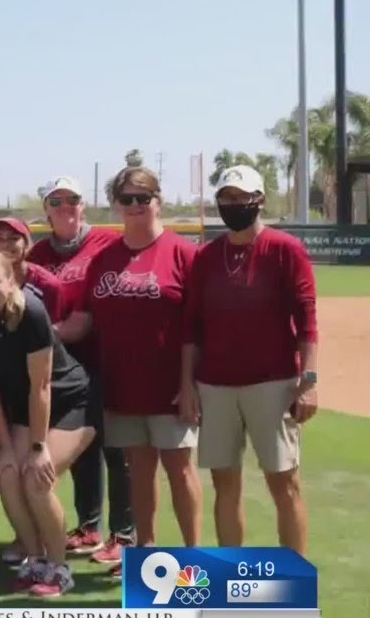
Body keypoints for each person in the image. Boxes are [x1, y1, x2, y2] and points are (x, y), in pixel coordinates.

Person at [60, 166, 203, 562]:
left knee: (180, 469)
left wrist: (191, 383)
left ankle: (193, 558)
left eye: (145, 197)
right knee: (138, 472)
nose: (137, 205)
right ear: (116, 205)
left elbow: (199, 326)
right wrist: (40, 333)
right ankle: (145, 553)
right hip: (123, 385)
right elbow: (85, 319)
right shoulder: (105, 259)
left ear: (159, 201)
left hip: (172, 386)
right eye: (128, 198)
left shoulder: (184, 253)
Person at [182, 165, 317, 555]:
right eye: (226, 198)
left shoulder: (285, 249)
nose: (233, 205)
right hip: (215, 385)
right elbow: (191, 329)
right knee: (226, 484)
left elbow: (307, 321)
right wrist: (186, 384)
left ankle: (293, 582)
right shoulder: (207, 258)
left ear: (259, 200)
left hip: (273, 384)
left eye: (242, 198)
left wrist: (309, 382)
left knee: (284, 482)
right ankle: (229, 577)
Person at [0, 250, 94, 597]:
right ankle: (35, 560)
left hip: (71, 403)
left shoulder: (31, 312)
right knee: (5, 470)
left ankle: (59, 568)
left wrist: (37, 448)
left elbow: (42, 386)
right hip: (24, 409)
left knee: (36, 477)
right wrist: (6, 444)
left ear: (11, 282)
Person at [26, 175, 133, 567]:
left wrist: (42, 339)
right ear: (46, 211)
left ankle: (125, 533)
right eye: (56, 202)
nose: (65, 207)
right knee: (82, 451)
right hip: (63, 370)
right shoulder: (37, 254)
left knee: (117, 448)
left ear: (83, 205)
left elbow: (88, 317)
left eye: (72, 199)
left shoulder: (105, 242)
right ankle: (89, 526)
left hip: (108, 358)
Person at [0, 217, 64, 320]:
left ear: (26, 244)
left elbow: (51, 330)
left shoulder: (47, 285)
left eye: (14, 238)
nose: (5, 244)